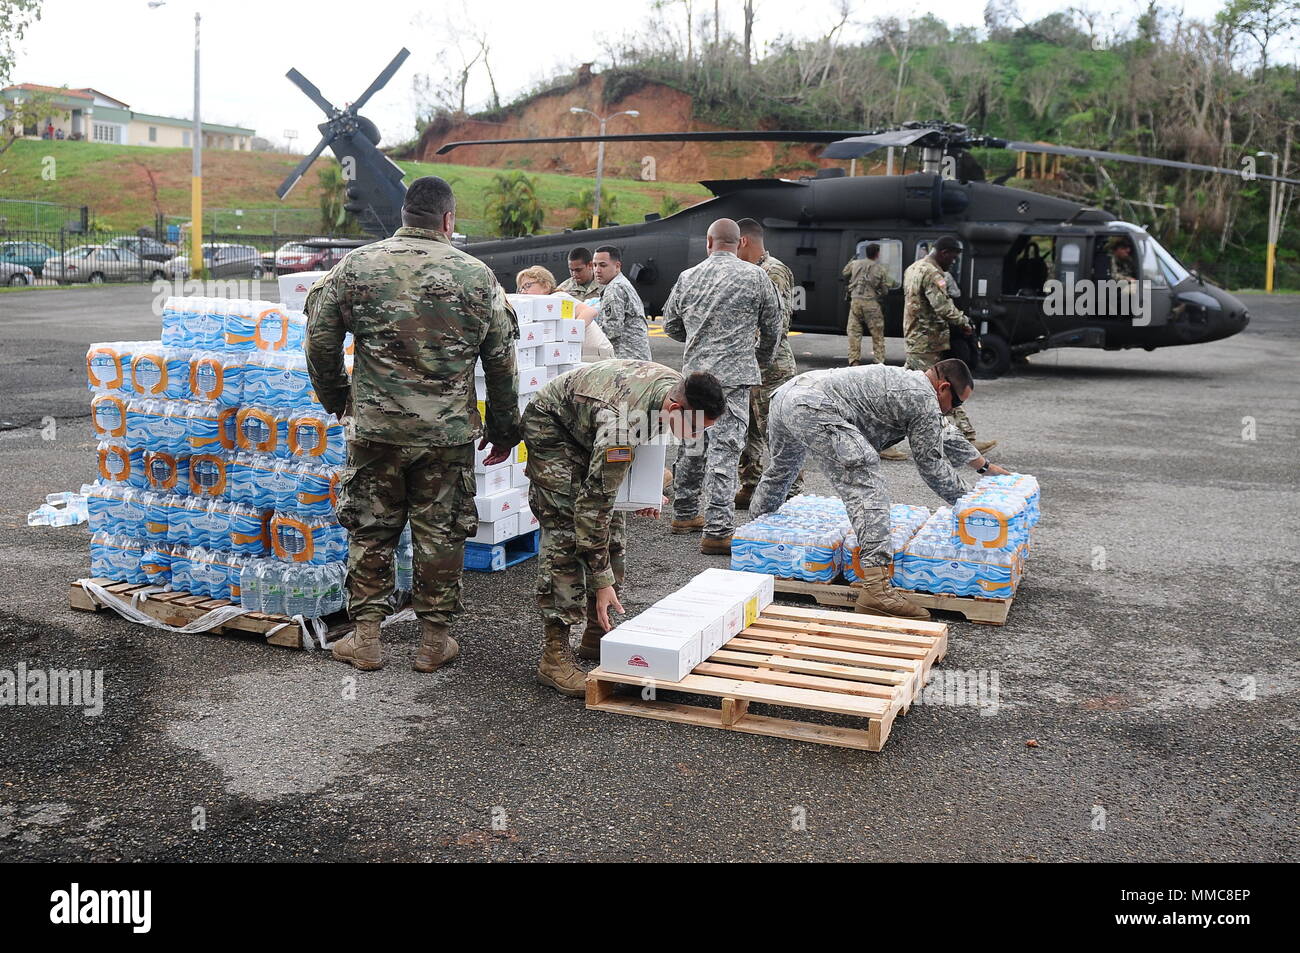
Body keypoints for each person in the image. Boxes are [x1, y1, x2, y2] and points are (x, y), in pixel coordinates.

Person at [305, 175, 521, 673]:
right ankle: (432, 642)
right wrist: (504, 430)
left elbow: (319, 342)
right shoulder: (477, 276)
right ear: (448, 220)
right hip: (445, 437)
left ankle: (366, 639)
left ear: (404, 216)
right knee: (440, 533)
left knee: (371, 529)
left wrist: (342, 401)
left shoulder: (356, 267)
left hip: (376, 431)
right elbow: (502, 363)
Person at [523, 361, 725, 696]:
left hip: (595, 423)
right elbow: (591, 509)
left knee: (614, 525)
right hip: (553, 427)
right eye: (695, 428)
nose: (697, 436)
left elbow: (638, 451)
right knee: (567, 535)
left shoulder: (672, 393)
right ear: (675, 408)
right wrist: (602, 582)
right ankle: (554, 655)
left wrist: (641, 491)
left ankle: (596, 632)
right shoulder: (622, 427)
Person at [751, 359, 1009, 620]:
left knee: (780, 470)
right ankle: (876, 588)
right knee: (865, 481)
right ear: (943, 388)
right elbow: (931, 466)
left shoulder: (913, 385)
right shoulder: (923, 398)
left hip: (787, 395)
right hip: (813, 406)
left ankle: (752, 542)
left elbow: (942, 432)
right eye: (957, 403)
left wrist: (984, 466)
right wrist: (973, 506)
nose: (953, 410)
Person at [663, 218, 781, 554]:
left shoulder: (688, 277)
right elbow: (773, 329)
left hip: (693, 379)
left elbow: (671, 324)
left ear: (708, 242)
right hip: (733, 379)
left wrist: (699, 340)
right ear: (739, 242)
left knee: (691, 446)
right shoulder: (757, 276)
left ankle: (684, 513)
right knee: (725, 452)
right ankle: (717, 530)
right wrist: (757, 359)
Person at [895, 235, 997, 456]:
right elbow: (941, 305)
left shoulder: (913, 268)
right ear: (943, 252)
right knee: (944, 388)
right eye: (953, 257)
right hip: (927, 340)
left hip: (916, 337)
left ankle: (878, 441)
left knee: (902, 392)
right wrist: (963, 322)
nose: (953, 262)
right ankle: (968, 439)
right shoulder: (932, 273)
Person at [734, 217, 801, 510]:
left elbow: (779, 323)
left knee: (776, 431)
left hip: (771, 368)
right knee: (746, 431)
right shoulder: (745, 272)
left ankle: (791, 493)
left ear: (743, 241)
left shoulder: (774, 271)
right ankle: (750, 485)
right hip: (745, 366)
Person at [515, 265, 614, 360]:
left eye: (527, 286)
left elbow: (590, 311)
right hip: (584, 354)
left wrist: (569, 335)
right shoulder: (539, 310)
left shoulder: (558, 298)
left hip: (596, 354)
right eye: (521, 289)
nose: (523, 291)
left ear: (545, 286)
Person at [592, 245, 653, 361]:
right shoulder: (622, 283)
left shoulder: (615, 288)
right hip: (635, 359)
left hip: (627, 360)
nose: (597, 270)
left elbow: (612, 330)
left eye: (603, 265)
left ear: (617, 266)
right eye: (594, 265)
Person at [841, 244, 896, 365]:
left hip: (855, 302)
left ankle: (854, 361)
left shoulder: (855, 264)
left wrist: (852, 260)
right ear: (877, 254)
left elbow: (844, 272)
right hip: (871, 304)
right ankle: (879, 362)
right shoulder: (880, 269)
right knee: (877, 335)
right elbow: (885, 291)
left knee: (854, 333)